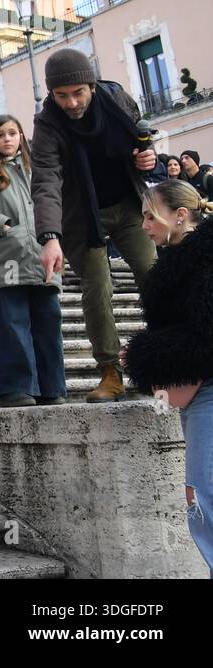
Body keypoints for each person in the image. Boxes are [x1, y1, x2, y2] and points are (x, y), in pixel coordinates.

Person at [31, 49, 157, 402]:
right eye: (61, 95)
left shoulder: (116, 98)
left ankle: (166, 363)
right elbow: (45, 181)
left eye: (78, 93)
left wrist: (148, 158)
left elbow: (140, 144)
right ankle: (109, 372)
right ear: (51, 94)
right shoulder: (47, 124)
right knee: (98, 290)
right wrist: (50, 237)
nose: (71, 103)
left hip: (129, 206)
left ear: (91, 85)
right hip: (82, 216)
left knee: (154, 275)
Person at [123, 179, 213, 574]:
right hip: (193, 393)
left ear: (180, 215)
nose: (144, 225)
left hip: (207, 391)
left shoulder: (203, 262)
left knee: (203, 497)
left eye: (149, 215)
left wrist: (143, 353)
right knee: (201, 496)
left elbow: (204, 337)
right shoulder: (174, 267)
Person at [0, 116, 66, 406]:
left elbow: (56, 202)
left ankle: (52, 387)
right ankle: (16, 389)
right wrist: (5, 225)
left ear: (21, 135)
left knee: (49, 323)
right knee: (12, 325)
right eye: (0, 135)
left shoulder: (38, 170)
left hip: (43, 255)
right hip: (7, 259)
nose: (7, 139)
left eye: (12, 133)